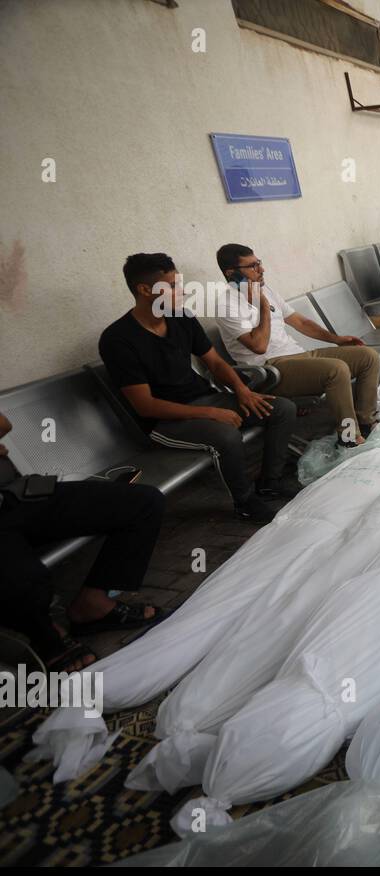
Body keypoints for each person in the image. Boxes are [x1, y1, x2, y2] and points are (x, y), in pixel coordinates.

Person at [100, 253, 297, 523]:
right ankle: (245, 502)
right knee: (226, 435)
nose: (180, 292)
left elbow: (215, 363)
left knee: (281, 408)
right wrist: (210, 413)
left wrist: (242, 390)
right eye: (171, 286)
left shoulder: (181, 318)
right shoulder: (118, 340)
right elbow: (145, 405)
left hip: (205, 399)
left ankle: (270, 481)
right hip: (163, 423)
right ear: (145, 290)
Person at [1, 411, 169, 670]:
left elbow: (3, 424)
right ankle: (46, 638)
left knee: (144, 503)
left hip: (16, 495)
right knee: (25, 581)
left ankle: (93, 604)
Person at [214, 244, 380, 447]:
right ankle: (348, 437)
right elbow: (258, 346)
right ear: (232, 274)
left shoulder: (266, 289)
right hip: (270, 368)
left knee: (367, 356)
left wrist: (336, 339)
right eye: (252, 266)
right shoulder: (226, 305)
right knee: (337, 370)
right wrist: (264, 307)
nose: (261, 269)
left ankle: (365, 420)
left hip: (300, 356)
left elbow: (300, 322)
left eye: (259, 263)